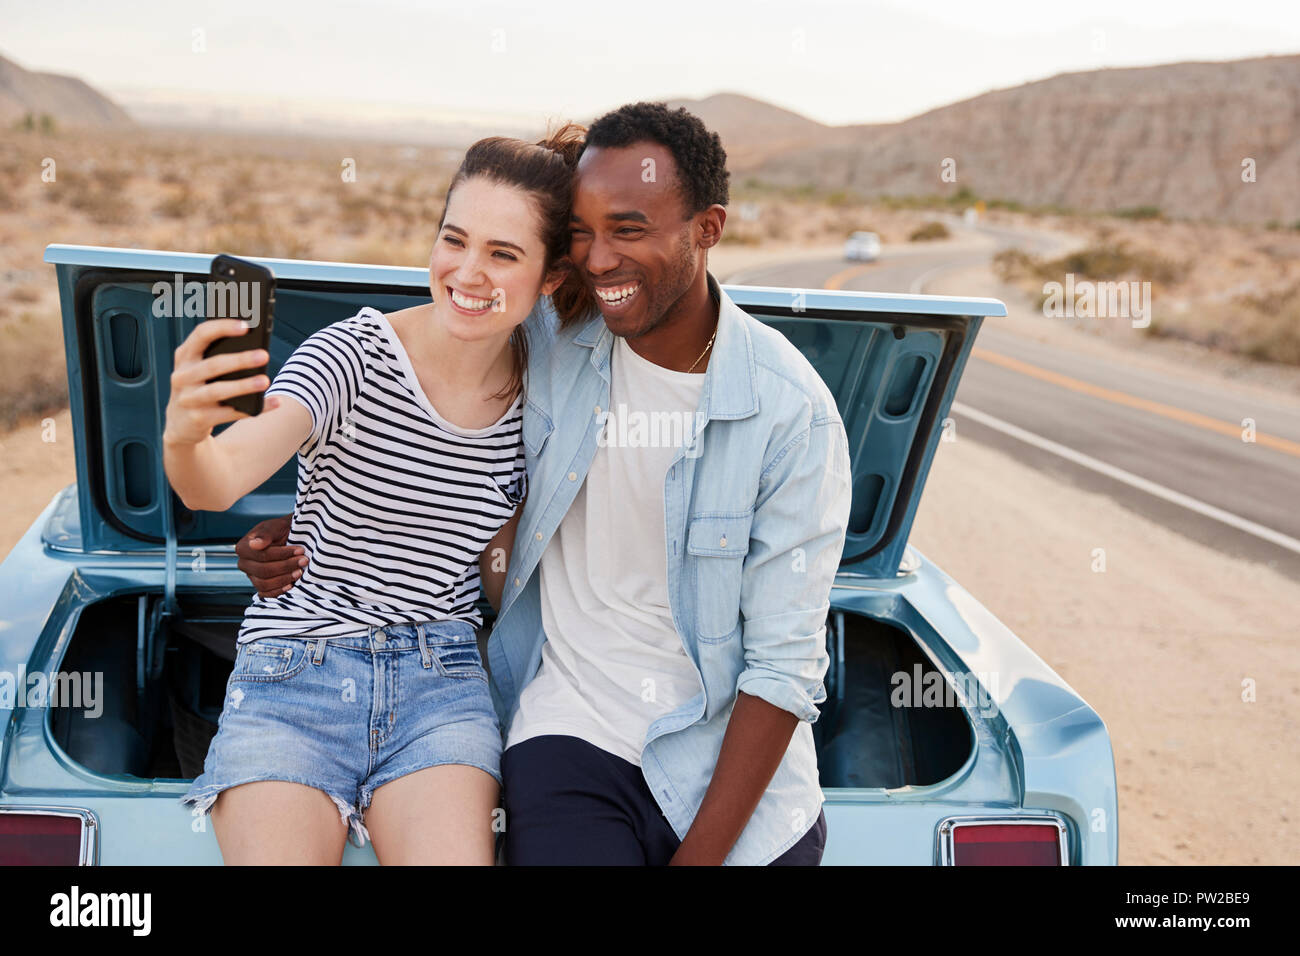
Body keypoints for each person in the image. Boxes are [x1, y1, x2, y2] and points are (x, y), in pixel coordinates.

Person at [239, 103, 852, 865]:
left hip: (734, 771)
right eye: (582, 235)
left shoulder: (791, 414)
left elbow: (786, 669)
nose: (599, 260)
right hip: (573, 730)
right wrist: (300, 527)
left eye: (629, 229)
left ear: (707, 228)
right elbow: (421, 376)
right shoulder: (553, 336)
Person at [166, 126, 589, 864]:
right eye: (454, 240)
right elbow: (223, 474)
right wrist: (185, 439)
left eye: (503, 253)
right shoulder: (350, 354)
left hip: (443, 684)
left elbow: (500, 562)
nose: (468, 271)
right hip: (296, 672)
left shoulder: (551, 395)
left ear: (551, 276)